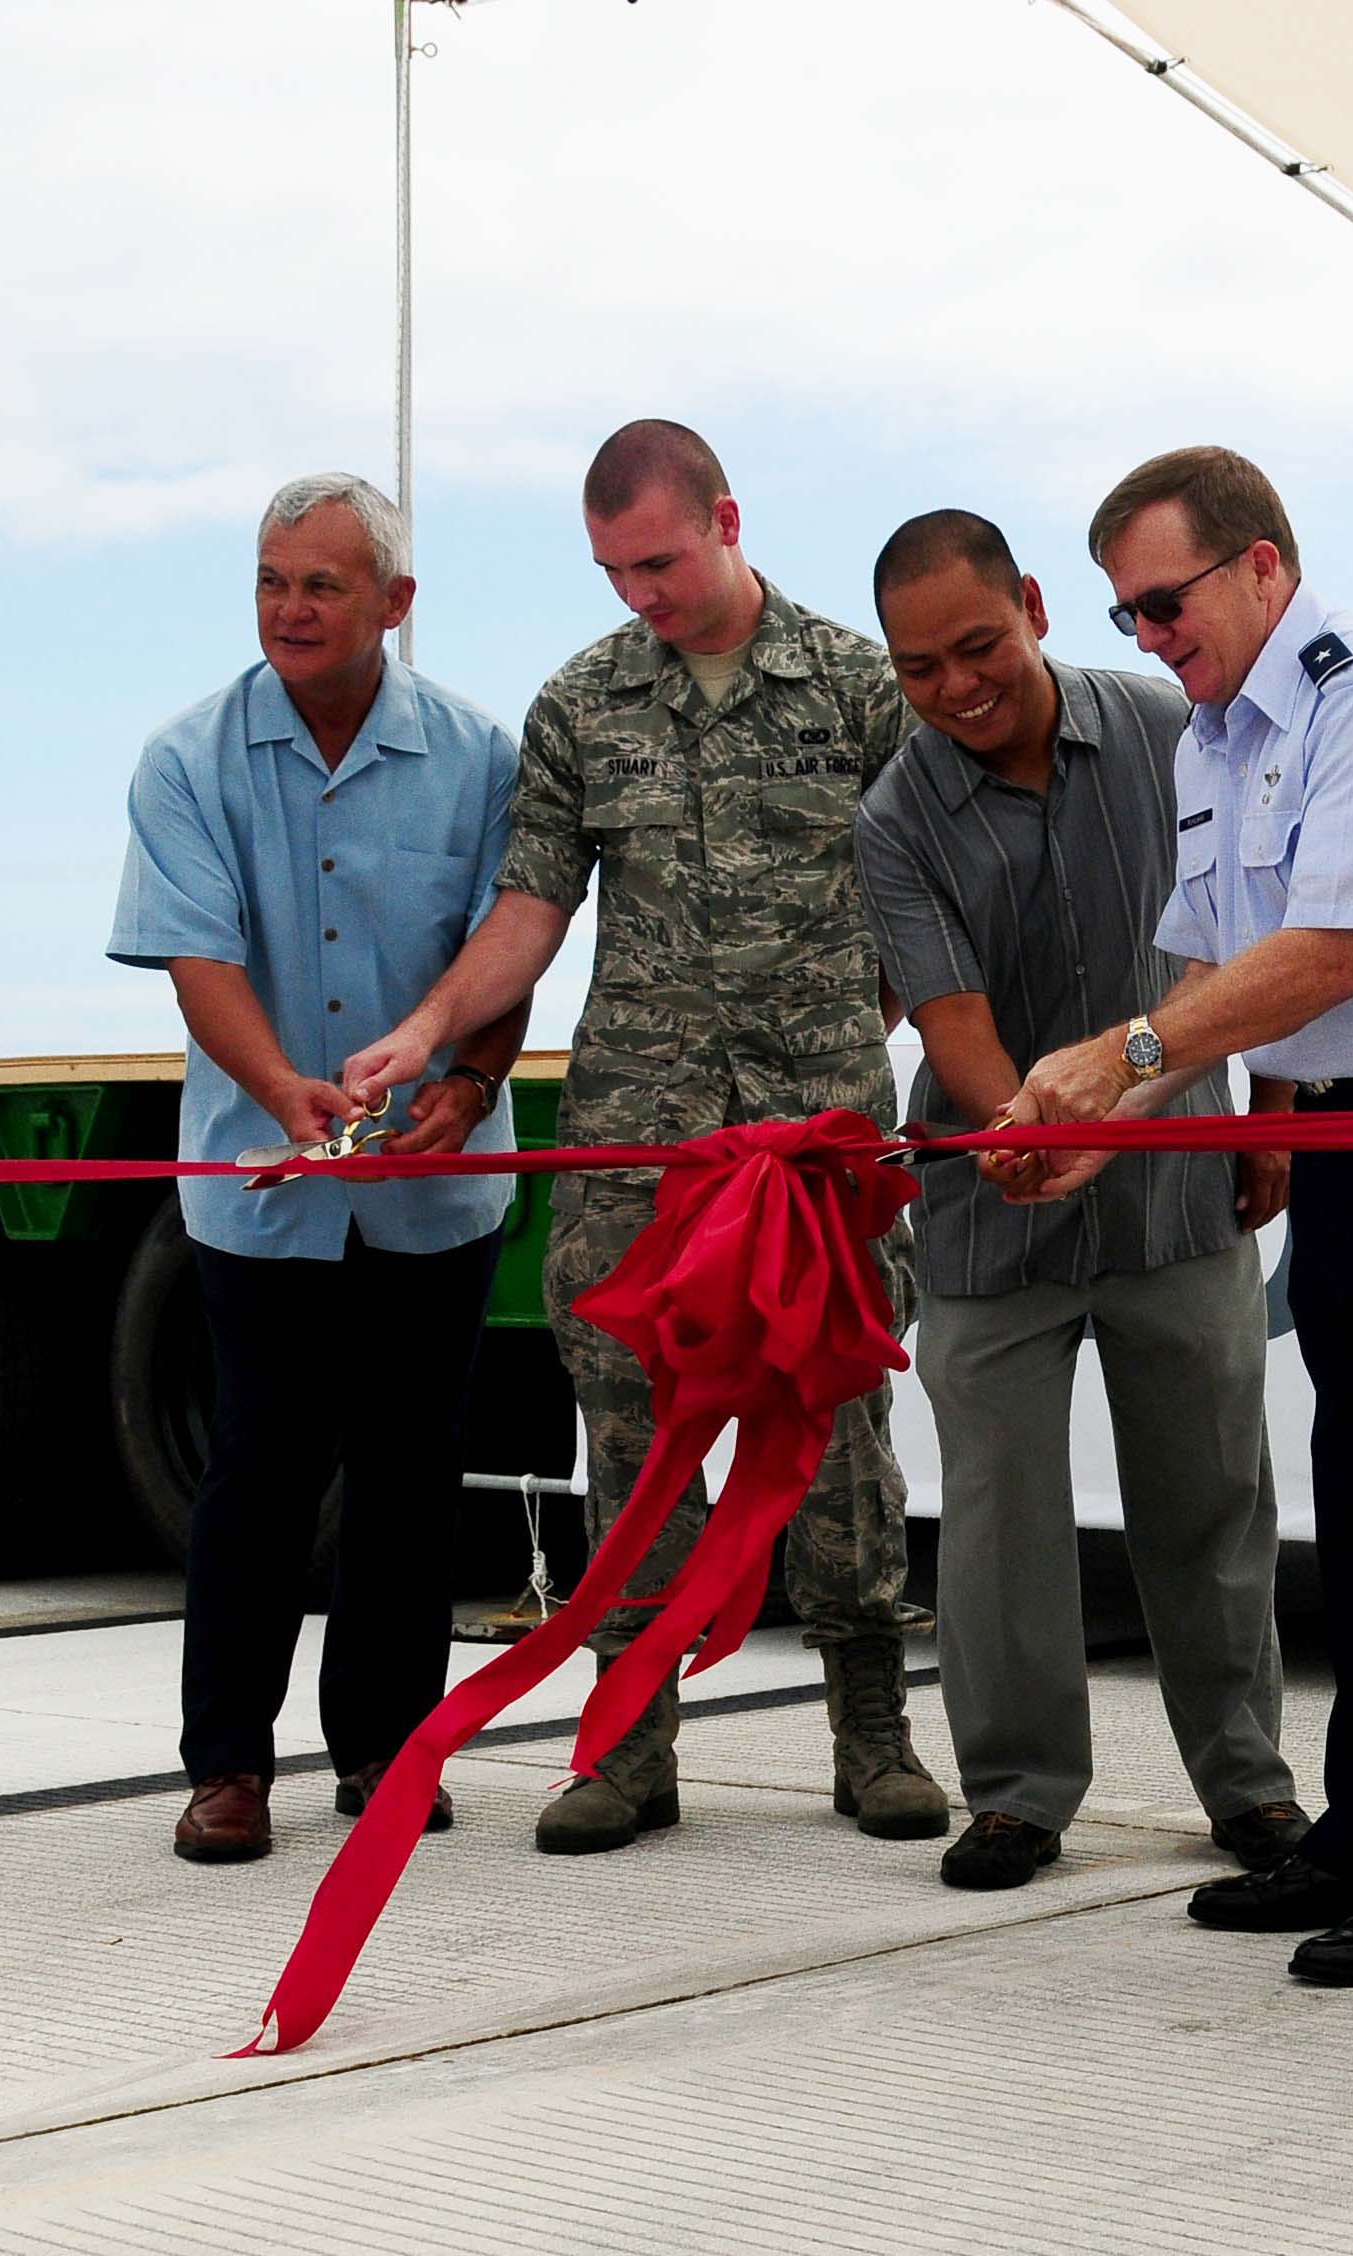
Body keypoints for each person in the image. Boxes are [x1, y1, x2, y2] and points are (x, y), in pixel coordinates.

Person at [341, 420, 946, 1855]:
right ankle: (626, 1745)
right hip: (642, 1143)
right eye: (615, 571)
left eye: (661, 562)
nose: (642, 598)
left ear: (728, 520)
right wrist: (427, 1035)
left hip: (814, 1137)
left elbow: (928, 899)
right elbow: (530, 916)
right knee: (630, 1427)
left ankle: (872, 1733)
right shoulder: (581, 706)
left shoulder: (863, 689)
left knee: (841, 1421)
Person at [1008, 446, 1353, 1987]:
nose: (1148, 639)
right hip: (1351, 1132)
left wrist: (1114, 1060)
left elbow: (1326, 958)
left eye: (1165, 603)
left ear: (1262, 564)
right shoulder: (1212, 742)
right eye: (1125, 616)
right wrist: (1101, 1127)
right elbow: (1208, 973)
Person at [855, 508, 1307, 1891]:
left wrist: (1270, 1116)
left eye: (979, 646)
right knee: (995, 1520)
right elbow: (953, 1024)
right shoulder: (892, 819)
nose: (957, 688)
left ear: (1039, 607)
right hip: (995, 1210)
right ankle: (1017, 1795)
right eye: (920, 668)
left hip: (1175, 1195)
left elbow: (1252, 942)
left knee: (1213, 1498)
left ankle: (1248, 1788)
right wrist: (1023, 1133)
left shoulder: (1181, 735)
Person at [108, 471, 522, 1865]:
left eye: (323, 585)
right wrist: (277, 1088)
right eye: (273, 583)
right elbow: (197, 956)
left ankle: (389, 1755)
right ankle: (228, 1769)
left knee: (414, 1474)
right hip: (257, 1189)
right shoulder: (187, 759)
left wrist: (469, 1087)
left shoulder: (480, 756)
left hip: (435, 1187)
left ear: (394, 606)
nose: (291, 609)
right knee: (258, 1477)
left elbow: (502, 954)